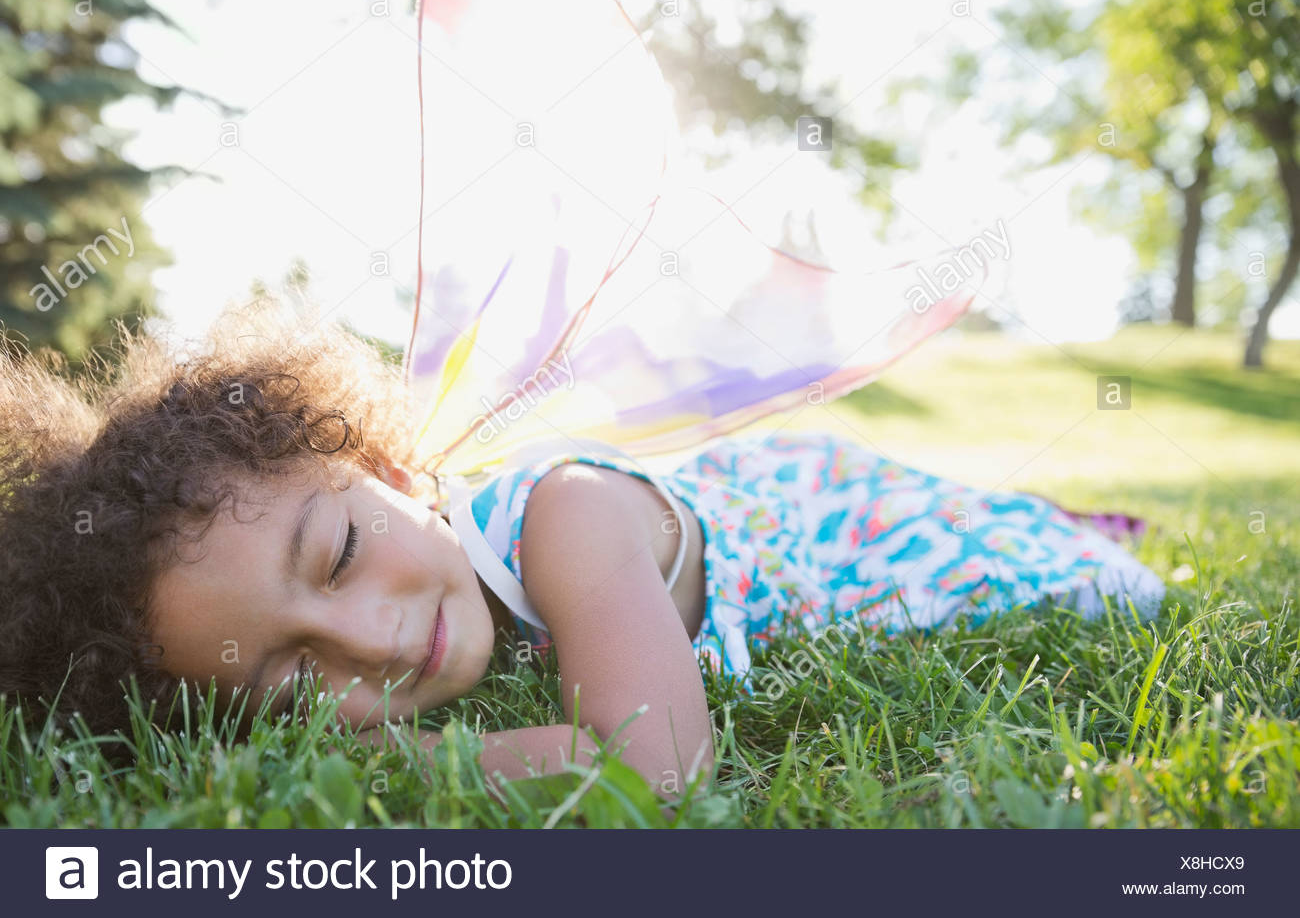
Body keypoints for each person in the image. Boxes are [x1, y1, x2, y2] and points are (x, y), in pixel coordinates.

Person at [0, 300, 1164, 794]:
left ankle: (1076, 522)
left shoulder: (564, 512)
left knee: (1078, 567)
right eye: (288, 678)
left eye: (342, 552)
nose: (375, 639)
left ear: (394, 471)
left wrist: (392, 768)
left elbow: (656, 764)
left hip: (847, 523)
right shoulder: (434, 597)